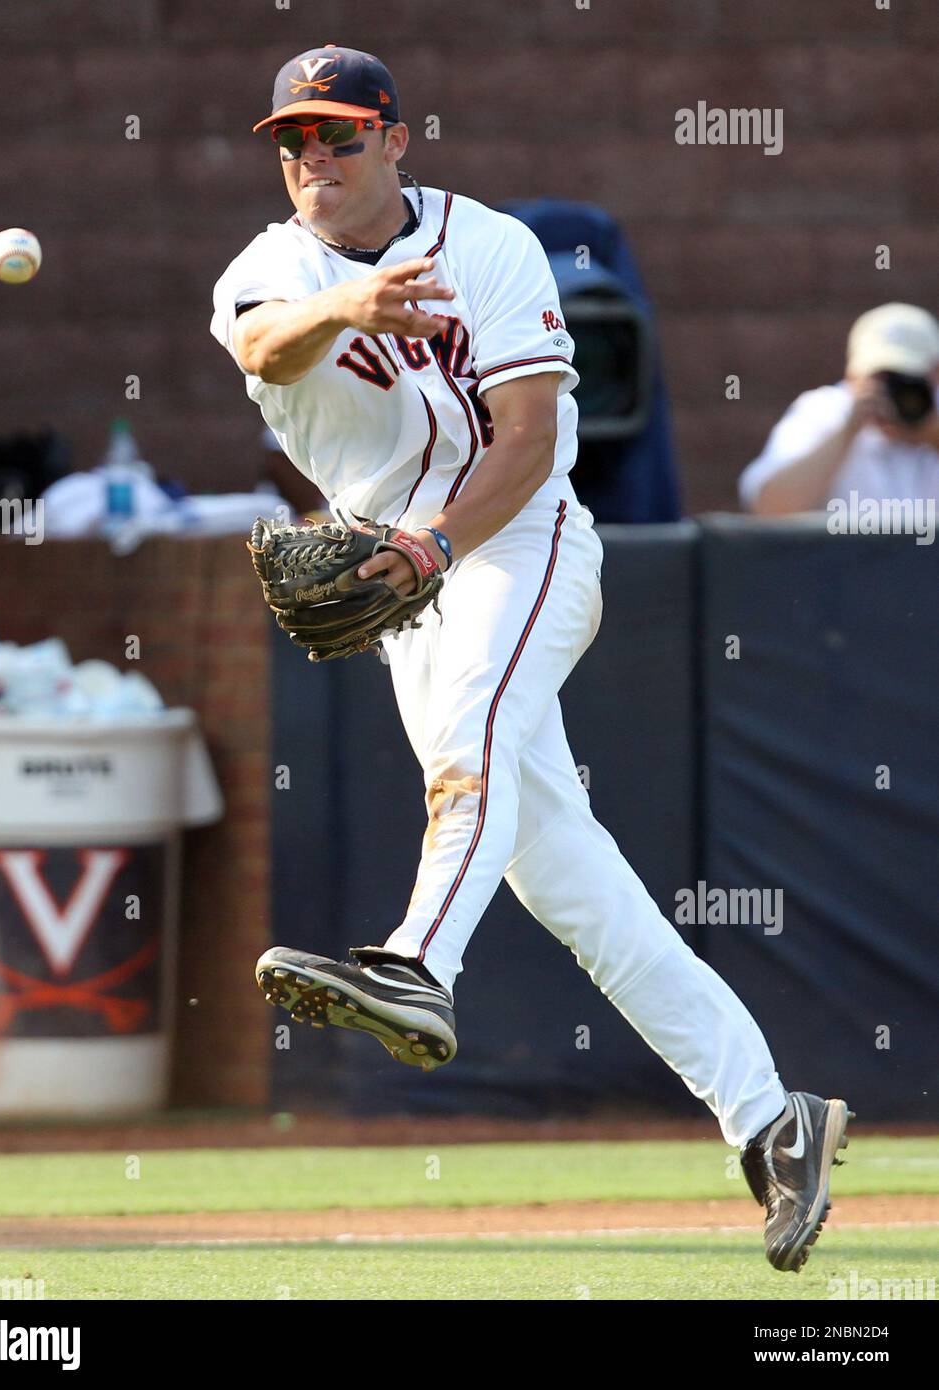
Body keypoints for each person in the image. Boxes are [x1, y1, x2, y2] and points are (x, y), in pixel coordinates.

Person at [210, 44, 850, 1272]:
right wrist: (346, 309)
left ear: (398, 138)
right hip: (392, 565)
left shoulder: (491, 246)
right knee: (568, 879)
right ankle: (772, 1119)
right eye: (294, 140)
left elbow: (529, 439)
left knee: (466, 750)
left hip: (516, 537)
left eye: (340, 135)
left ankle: (415, 968)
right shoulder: (266, 272)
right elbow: (263, 351)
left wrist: (436, 546)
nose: (314, 160)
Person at [740, 303, 939, 514]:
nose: (894, 393)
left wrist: (932, 437)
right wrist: (849, 430)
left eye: (909, 380)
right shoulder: (824, 412)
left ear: (936, 375)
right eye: (882, 378)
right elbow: (769, 508)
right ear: (852, 376)